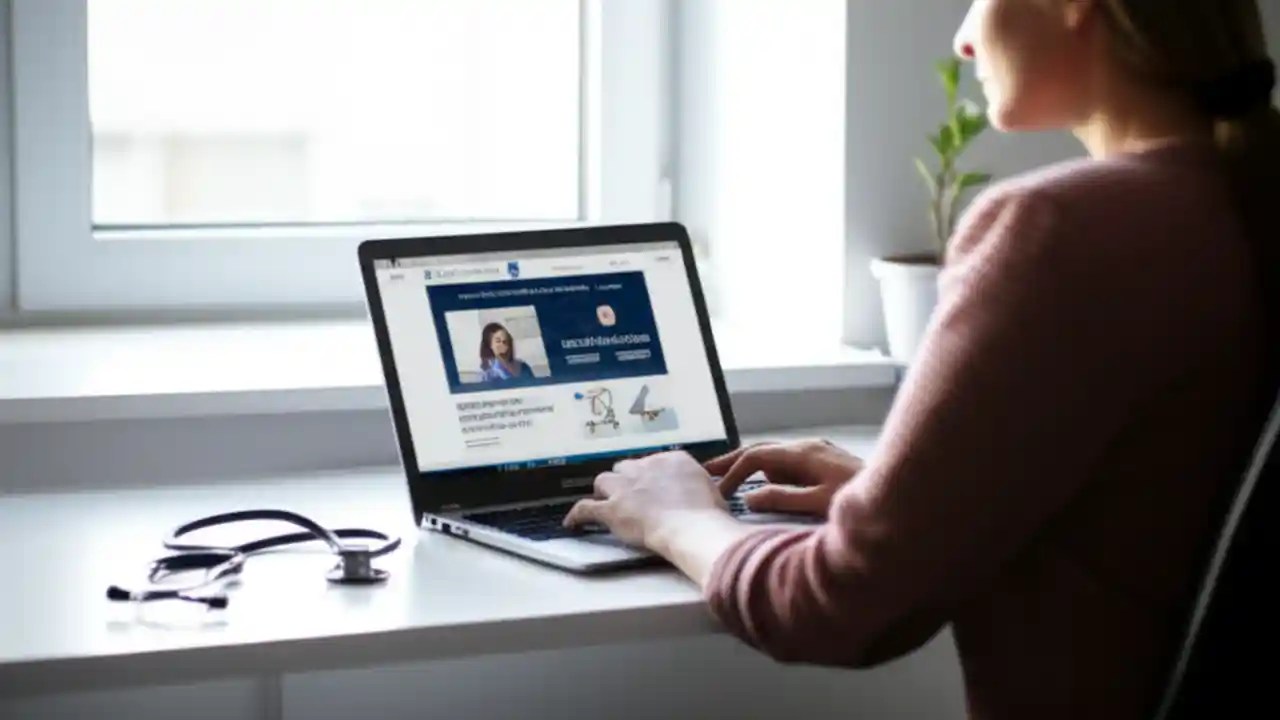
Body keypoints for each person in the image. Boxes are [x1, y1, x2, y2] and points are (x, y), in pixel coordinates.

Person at [564, 1, 1280, 717]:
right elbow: (1149, 507)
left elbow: (837, 604)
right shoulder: (1237, 205)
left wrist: (675, 518)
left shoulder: (1060, 230)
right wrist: (899, 497)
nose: (963, 41)